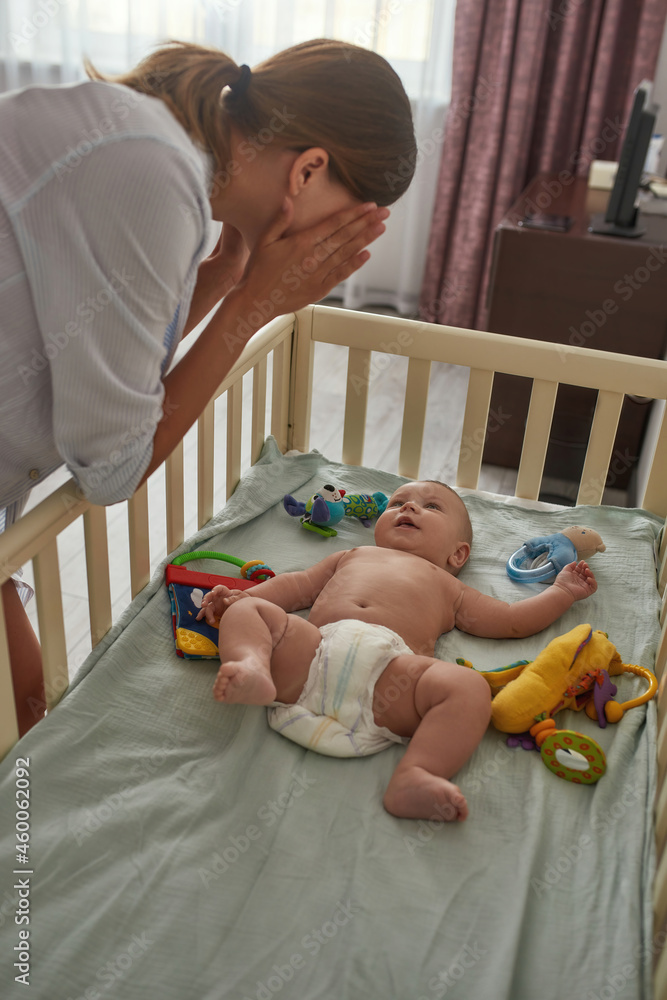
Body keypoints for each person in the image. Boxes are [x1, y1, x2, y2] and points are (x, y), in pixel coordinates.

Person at [0, 39, 417, 735]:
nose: (336, 249)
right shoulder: (150, 172)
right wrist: (250, 306)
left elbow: (105, 349)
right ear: (308, 168)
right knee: (22, 710)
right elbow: (111, 467)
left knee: (25, 707)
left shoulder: (151, 144)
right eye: (348, 219)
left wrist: (229, 272)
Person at [196, 480, 598, 823]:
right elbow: (295, 587)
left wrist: (561, 593)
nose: (408, 506)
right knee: (252, 610)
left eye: (431, 506)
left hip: (389, 680)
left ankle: (416, 774)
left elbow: (511, 620)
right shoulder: (352, 556)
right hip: (313, 655)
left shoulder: (448, 586)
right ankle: (250, 665)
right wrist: (237, 599)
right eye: (397, 502)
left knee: (468, 687)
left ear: (457, 554)